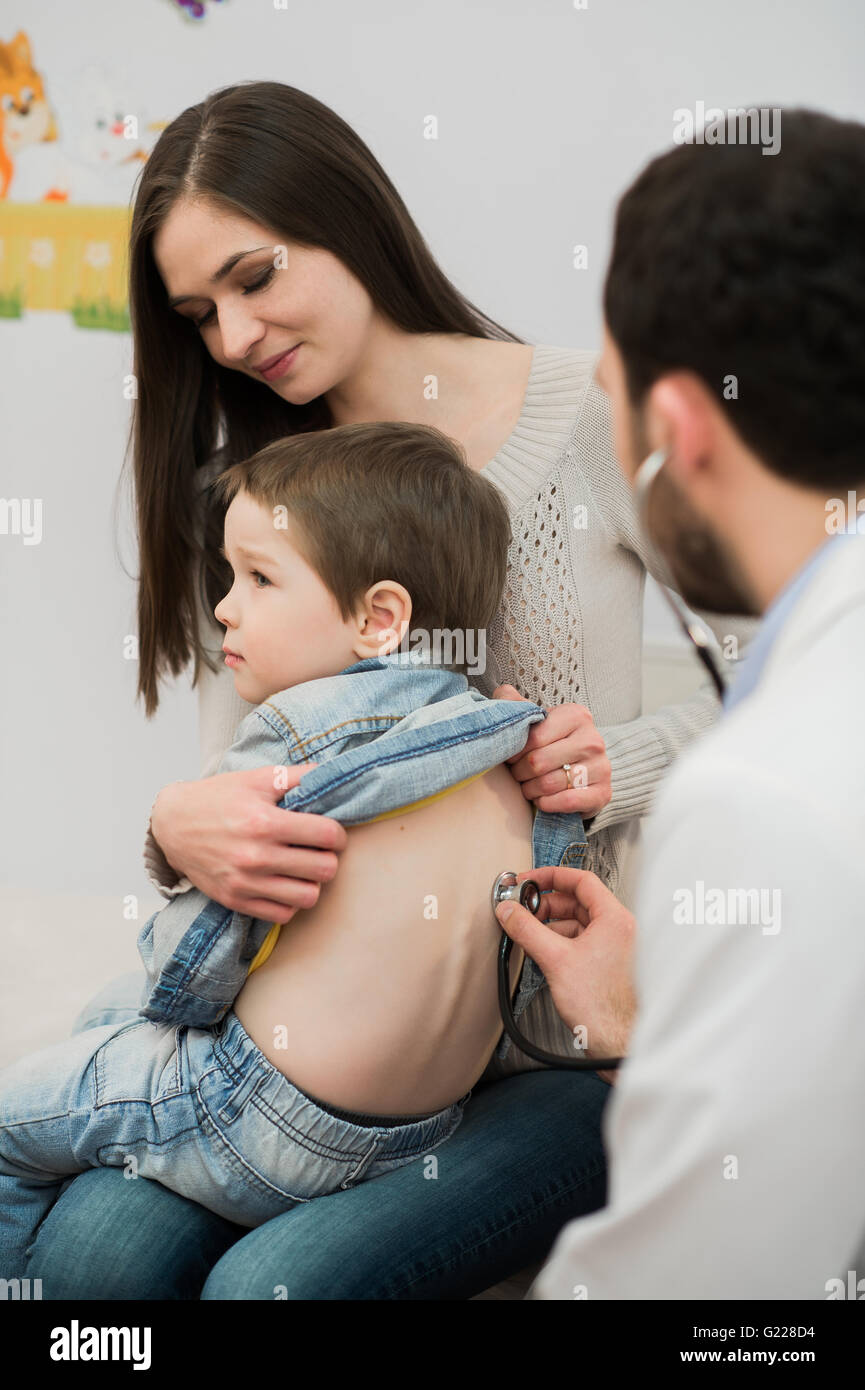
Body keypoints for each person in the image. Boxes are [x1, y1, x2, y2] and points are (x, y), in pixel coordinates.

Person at [21, 80, 752, 1300]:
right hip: (286, 1064)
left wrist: (616, 760)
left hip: (538, 1052)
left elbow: (804, 676)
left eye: (256, 276)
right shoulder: (261, 490)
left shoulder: (591, 414)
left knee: (270, 1288)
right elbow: (236, 768)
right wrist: (174, 829)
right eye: (200, 314)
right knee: (94, 1257)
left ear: (349, 217)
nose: (237, 338)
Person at [2, 421, 594, 1275]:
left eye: (258, 577)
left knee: (19, 1122)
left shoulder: (295, 730)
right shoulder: (517, 749)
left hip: (249, 1117)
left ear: (377, 619)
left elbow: (191, 971)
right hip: (408, 1134)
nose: (223, 605)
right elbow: (535, 954)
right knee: (105, 1012)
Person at [494, 107, 865, 1299]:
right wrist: (649, 1015)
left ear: (674, 431)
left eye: (607, 394)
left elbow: (695, 1296)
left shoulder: (766, 792)